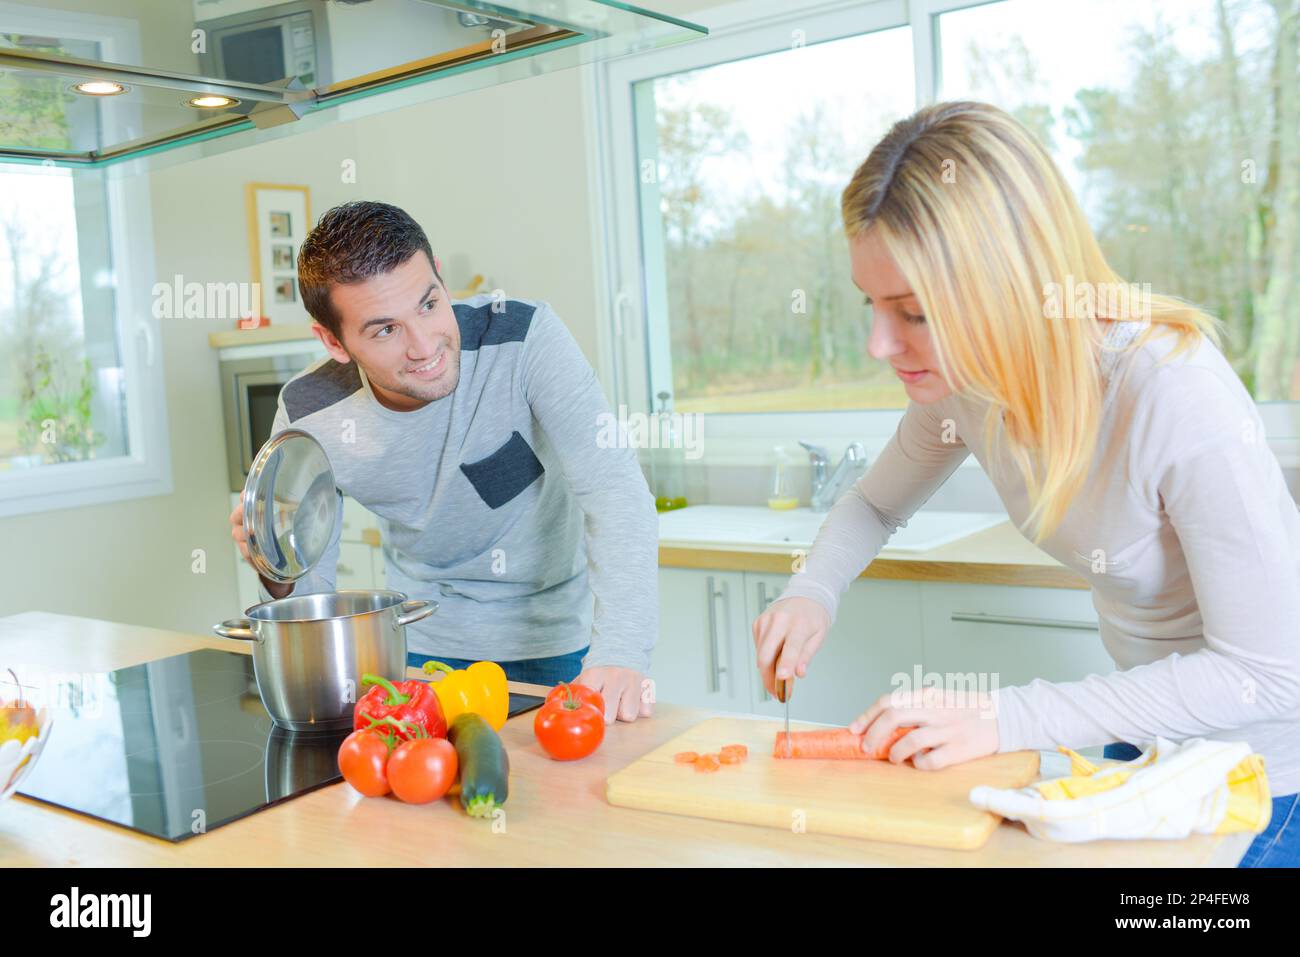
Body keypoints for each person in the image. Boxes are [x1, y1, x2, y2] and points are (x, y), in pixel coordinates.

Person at [751, 102, 1299, 866]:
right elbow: (874, 502)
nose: (880, 343)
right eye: (872, 305)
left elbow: (1268, 674)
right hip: (1144, 746)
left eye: (913, 312)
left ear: (1009, 286)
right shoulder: (968, 386)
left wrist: (1002, 716)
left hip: (1262, 782)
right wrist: (812, 587)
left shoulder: (1174, 392)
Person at [230, 200, 656, 722]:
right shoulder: (311, 412)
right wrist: (273, 563)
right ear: (334, 342)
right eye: (385, 330)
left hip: (552, 644)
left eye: (429, 304)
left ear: (442, 282)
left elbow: (613, 488)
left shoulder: (524, 338)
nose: (425, 345)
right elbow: (307, 589)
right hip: (417, 650)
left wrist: (621, 652)